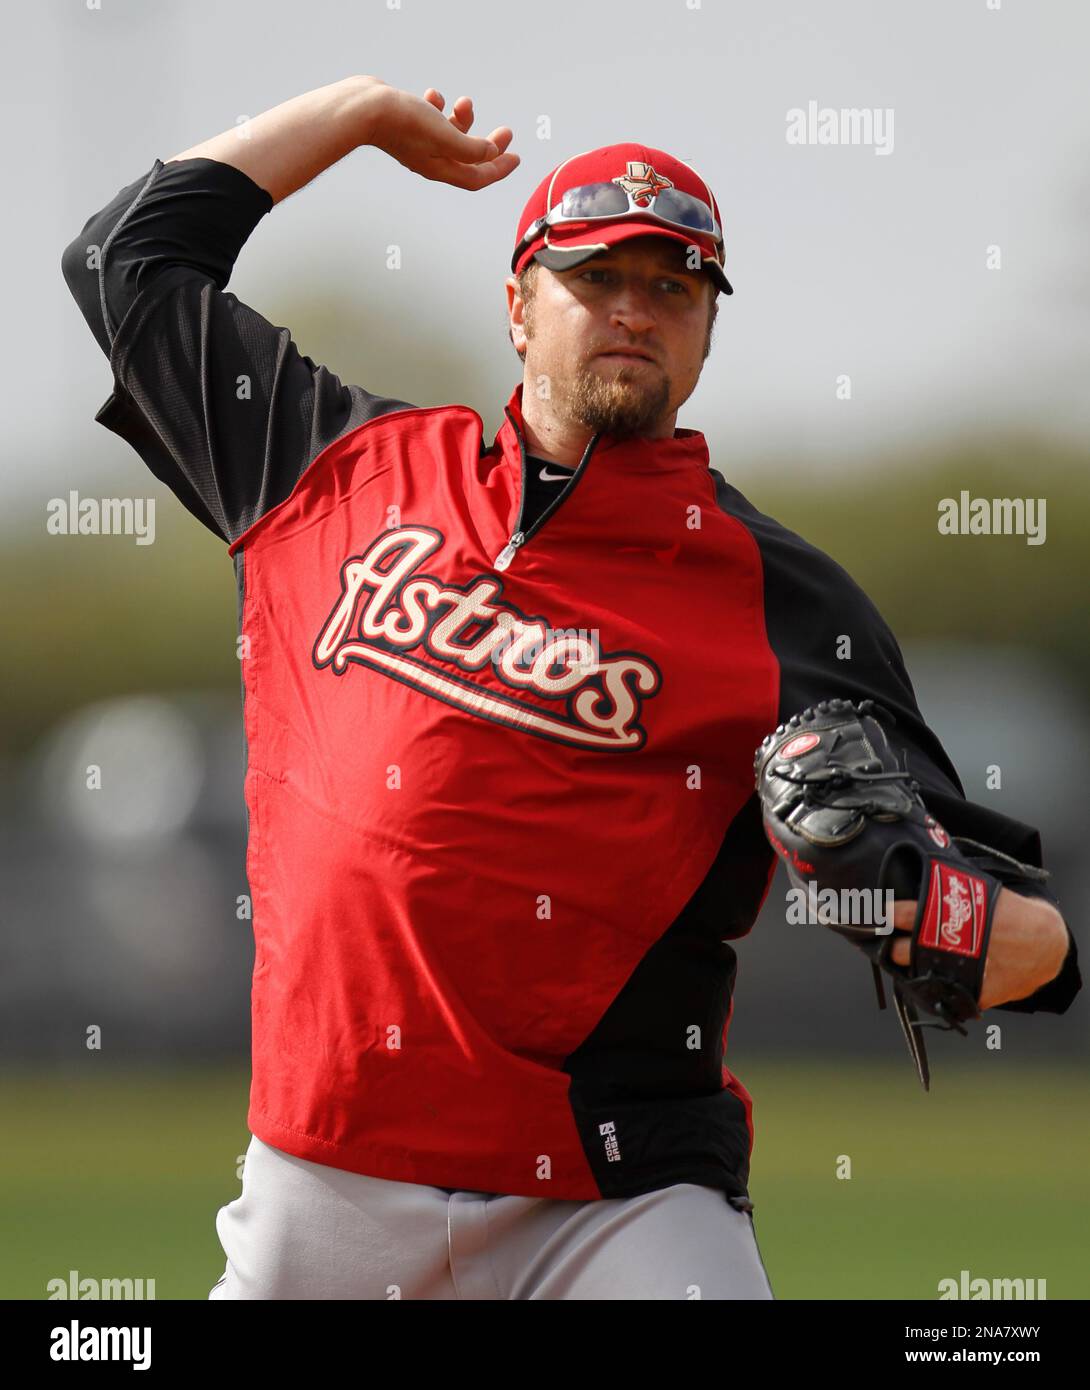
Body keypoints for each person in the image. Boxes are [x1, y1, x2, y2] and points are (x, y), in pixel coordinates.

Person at [61, 75, 1080, 1301]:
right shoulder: (327, 466)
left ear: (707, 328)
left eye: (672, 285)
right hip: (320, 1182)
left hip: (617, 1202)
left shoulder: (788, 604)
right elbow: (124, 258)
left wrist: (910, 898)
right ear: (518, 303)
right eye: (594, 277)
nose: (633, 310)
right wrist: (359, 114)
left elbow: (1034, 947)